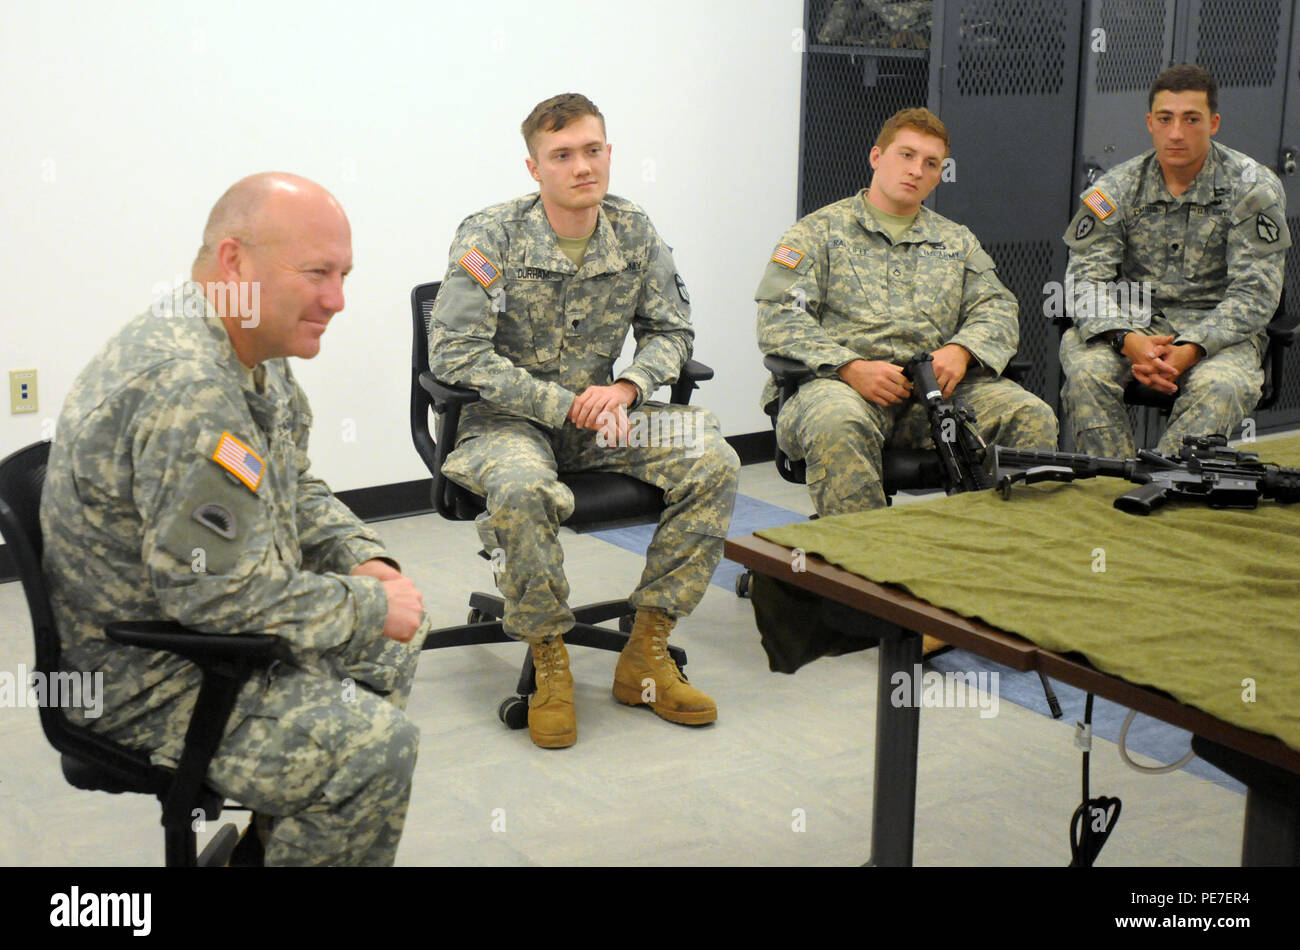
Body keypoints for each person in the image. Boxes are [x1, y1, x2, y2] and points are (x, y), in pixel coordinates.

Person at [41, 173, 425, 866]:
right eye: (316, 272)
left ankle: (285, 845)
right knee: (375, 750)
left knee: (391, 642)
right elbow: (211, 593)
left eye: (343, 274)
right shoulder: (188, 382)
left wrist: (362, 555)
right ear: (233, 261)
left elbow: (295, 484)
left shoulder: (249, 349)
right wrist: (368, 604)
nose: (336, 299)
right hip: (148, 677)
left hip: (198, 633)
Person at [429, 93, 739, 749]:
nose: (581, 167)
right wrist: (562, 402)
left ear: (608, 153)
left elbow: (670, 331)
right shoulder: (490, 236)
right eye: (562, 155)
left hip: (604, 421)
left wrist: (631, 385)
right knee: (522, 487)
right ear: (534, 167)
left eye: (592, 150)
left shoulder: (635, 230)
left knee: (712, 456)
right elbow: (455, 353)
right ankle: (550, 663)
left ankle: (647, 649)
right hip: (506, 424)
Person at [756, 107, 1057, 516]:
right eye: (907, 155)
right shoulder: (817, 232)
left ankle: (999, 555)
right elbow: (778, 317)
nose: (917, 170)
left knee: (1031, 415)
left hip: (936, 395)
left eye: (931, 163)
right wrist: (849, 366)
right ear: (877, 157)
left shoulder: (956, 241)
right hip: (842, 391)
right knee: (837, 422)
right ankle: (868, 566)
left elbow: (998, 306)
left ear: (939, 174)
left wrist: (962, 350)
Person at [1059, 64, 1290, 457]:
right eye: (1165, 119)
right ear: (1150, 122)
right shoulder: (1113, 189)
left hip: (1218, 334)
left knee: (1220, 385)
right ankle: (1108, 482)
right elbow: (1084, 282)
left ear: (1214, 123)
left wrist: (1191, 347)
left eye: (1191, 119)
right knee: (1086, 373)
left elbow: (1256, 293)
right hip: (1130, 326)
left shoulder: (1253, 187)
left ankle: (1164, 481)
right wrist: (1126, 339)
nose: (1176, 133)